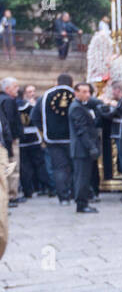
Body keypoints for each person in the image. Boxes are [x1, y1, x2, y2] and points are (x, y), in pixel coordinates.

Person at [33, 74, 76, 204]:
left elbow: (34, 116)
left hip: (53, 138)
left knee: (59, 168)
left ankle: (63, 197)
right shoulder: (76, 94)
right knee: (75, 167)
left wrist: (44, 129)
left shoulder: (45, 96)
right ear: (72, 83)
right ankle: (75, 193)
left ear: (56, 82)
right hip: (73, 138)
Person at [68, 83, 106, 214]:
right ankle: (81, 204)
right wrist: (91, 147)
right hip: (81, 149)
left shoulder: (84, 106)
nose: (87, 95)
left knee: (85, 177)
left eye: (88, 92)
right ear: (76, 93)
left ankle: (84, 202)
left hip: (85, 148)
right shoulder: (76, 108)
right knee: (81, 178)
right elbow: (82, 130)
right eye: (83, 92)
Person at [17, 85, 47, 199]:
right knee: (28, 166)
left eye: (34, 91)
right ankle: (30, 189)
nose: (32, 93)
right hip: (28, 138)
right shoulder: (25, 105)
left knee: (38, 164)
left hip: (33, 137)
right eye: (29, 91)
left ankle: (41, 187)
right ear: (24, 93)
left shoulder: (37, 102)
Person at [0, 78, 21, 208]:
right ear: (7, 89)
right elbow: (9, 121)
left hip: (6, 139)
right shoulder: (7, 100)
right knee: (13, 167)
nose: (17, 89)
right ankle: (12, 195)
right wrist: (12, 137)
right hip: (9, 140)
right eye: (15, 86)